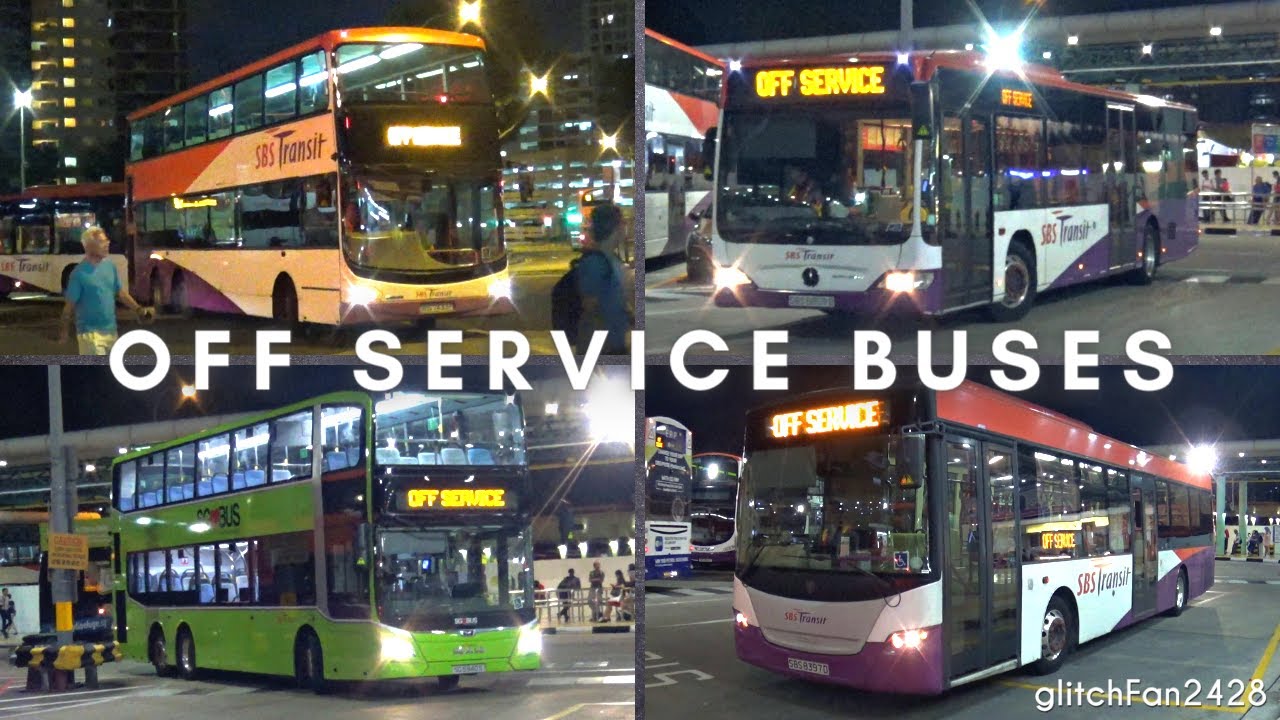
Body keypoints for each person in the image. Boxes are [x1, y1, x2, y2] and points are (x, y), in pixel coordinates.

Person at [59, 226, 153, 355]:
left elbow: (121, 293)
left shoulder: (109, 266)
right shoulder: (78, 274)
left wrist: (138, 309)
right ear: (89, 246)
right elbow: (68, 307)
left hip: (111, 332)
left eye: (107, 240)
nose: (107, 244)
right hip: (90, 335)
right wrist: (64, 332)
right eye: (102, 241)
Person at [575, 203, 628, 355]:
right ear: (614, 227)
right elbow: (589, 308)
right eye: (622, 222)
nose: (625, 227)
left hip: (614, 343)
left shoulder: (612, 259)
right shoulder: (595, 263)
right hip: (601, 348)